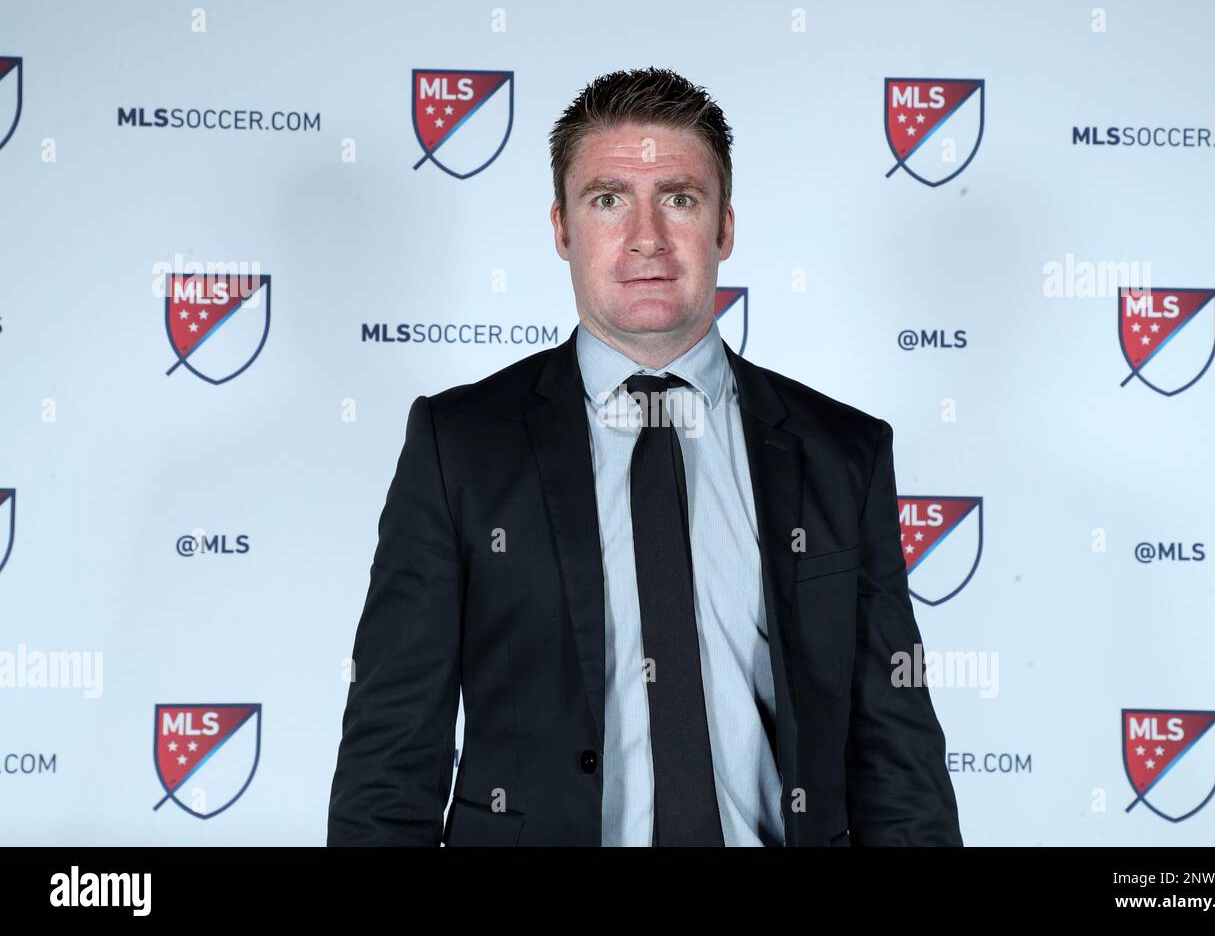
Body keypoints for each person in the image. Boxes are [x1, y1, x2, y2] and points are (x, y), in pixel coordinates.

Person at [326, 67, 961, 847]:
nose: (647, 238)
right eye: (608, 199)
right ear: (561, 228)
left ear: (724, 226)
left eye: (681, 198)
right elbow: (391, 757)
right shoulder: (459, 446)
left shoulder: (844, 452)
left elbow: (897, 759)